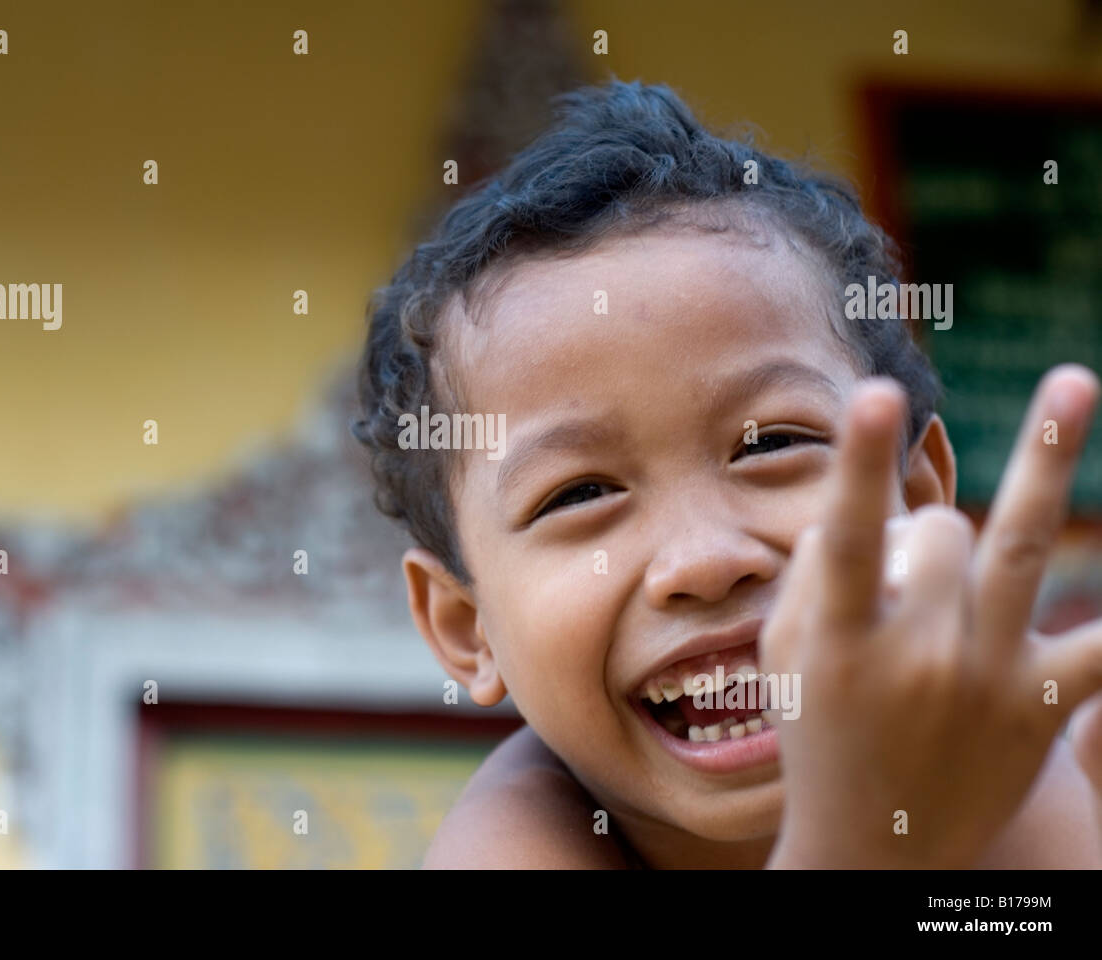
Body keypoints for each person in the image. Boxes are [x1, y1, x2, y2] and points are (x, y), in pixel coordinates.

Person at [352, 79, 1102, 868]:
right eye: (579, 493)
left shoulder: (1016, 765)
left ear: (915, 496)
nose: (705, 561)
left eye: (771, 444)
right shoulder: (514, 851)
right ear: (466, 628)